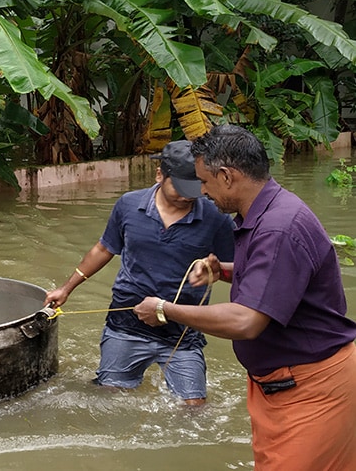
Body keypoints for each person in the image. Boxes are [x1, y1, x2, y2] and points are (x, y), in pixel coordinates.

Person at [134, 125, 356, 468]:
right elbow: (281, 274)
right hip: (281, 386)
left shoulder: (278, 227)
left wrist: (164, 309)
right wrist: (223, 271)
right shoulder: (267, 213)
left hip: (312, 389)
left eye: (204, 181)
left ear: (227, 176)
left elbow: (246, 321)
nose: (202, 192)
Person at [46, 140, 235, 406]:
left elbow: (239, 268)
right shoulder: (128, 205)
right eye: (180, 188)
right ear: (159, 175)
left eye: (196, 189)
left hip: (182, 333)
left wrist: (215, 270)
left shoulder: (216, 217)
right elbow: (103, 249)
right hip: (127, 325)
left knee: (194, 410)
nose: (187, 197)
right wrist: (66, 289)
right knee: (110, 401)